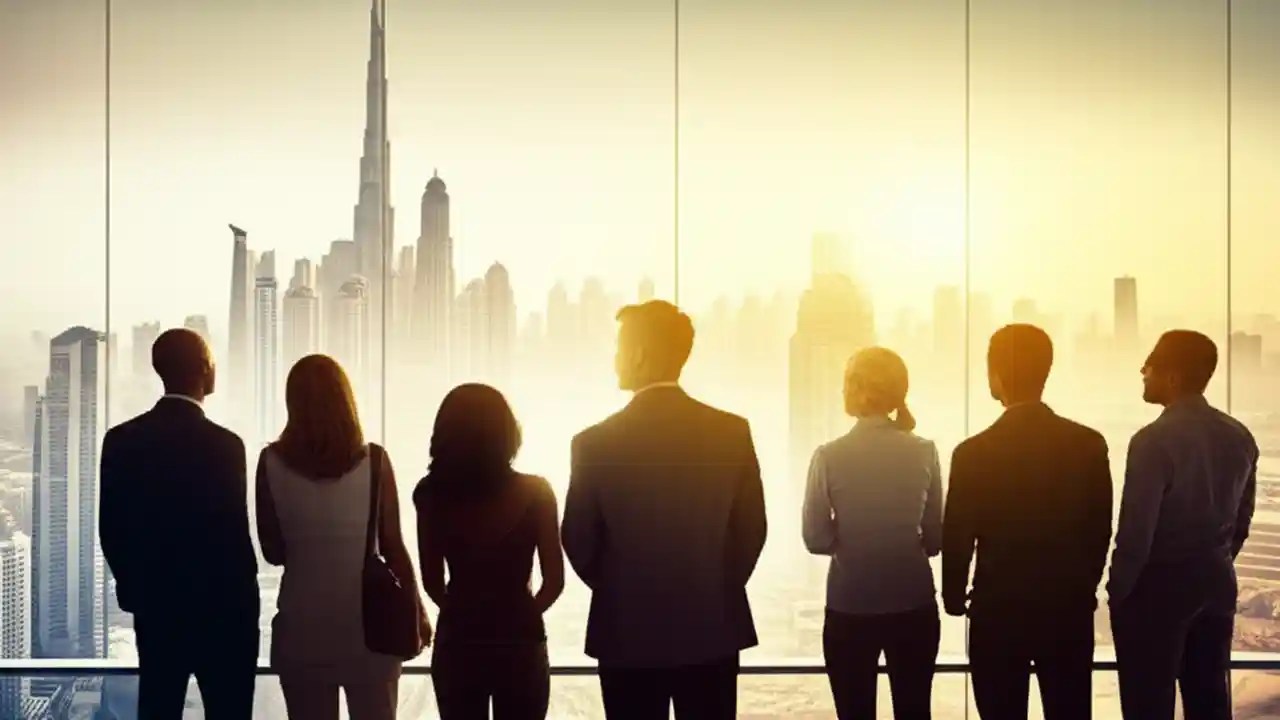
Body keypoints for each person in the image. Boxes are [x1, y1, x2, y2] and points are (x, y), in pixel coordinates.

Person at [562, 299, 767, 720]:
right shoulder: (731, 432)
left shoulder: (593, 443)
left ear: (638, 353)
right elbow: (752, 531)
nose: (615, 358)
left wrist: (623, 589)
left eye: (619, 347)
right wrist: (713, 585)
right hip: (712, 629)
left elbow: (578, 541)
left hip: (626, 635)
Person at [942, 324, 1113, 720]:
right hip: (1065, 610)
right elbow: (1099, 528)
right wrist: (1083, 586)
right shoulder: (1088, 444)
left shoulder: (972, 453)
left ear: (996, 374)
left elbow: (958, 535)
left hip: (997, 613)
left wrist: (953, 597)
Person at [256, 354, 429, 720]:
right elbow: (394, 546)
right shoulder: (376, 462)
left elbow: (272, 551)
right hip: (371, 631)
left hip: (302, 630)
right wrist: (415, 610)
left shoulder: (269, 462)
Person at [100, 328, 260, 719]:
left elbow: (111, 530)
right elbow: (234, 538)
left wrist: (135, 590)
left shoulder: (121, 440)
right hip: (222, 614)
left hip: (157, 612)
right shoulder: (226, 446)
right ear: (205, 369)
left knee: (158, 708)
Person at [1109, 330, 1258, 719]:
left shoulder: (1152, 441)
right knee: (1209, 702)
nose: (1143, 371)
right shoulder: (1239, 436)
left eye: (1151, 365)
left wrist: (1119, 591)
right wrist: (1214, 560)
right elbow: (1241, 522)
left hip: (1157, 593)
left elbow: (1135, 534)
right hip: (1216, 584)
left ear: (1172, 377)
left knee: (1148, 705)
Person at [803, 347, 942, 720]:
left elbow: (814, 538)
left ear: (852, 389)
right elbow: (935, 539)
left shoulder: (828, 456)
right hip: (913, 602)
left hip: (851, 605)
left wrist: (849, 541)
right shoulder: (924, 452)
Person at [414, 383, 565, 719]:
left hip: (459, 638)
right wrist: (522, 614)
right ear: (507, 432)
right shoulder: (537, 492)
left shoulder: (430, 495)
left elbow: (432, 581)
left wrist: (463, 611)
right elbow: (554, 581)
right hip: (520, 642)